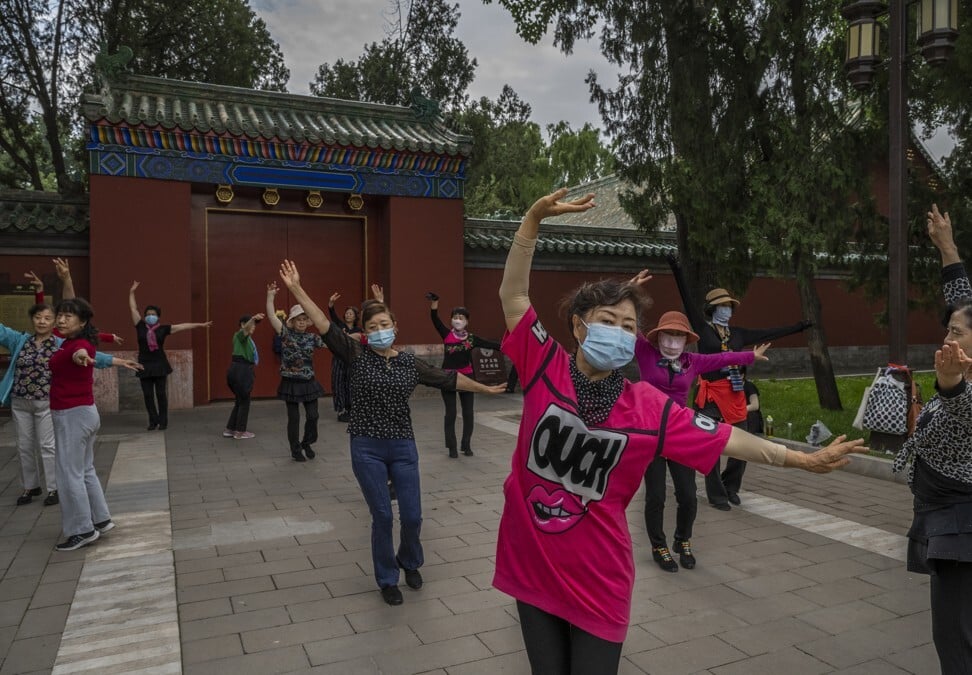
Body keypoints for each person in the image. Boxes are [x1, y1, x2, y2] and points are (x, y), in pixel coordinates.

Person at [494, 188, 866, 674]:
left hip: (598, 577)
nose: (619, 332)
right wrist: (531, 222)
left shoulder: (648, 406)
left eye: (629, 326)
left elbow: (726, 437)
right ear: (580, 327)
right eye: (608, 321)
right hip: (532, 563)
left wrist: (801, 459)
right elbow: (514, 296)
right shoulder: (544, 365)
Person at [277, 260, 506, 606]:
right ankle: (387, 578)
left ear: (395, 327)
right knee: (383, 516)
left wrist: (485, 389)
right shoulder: (355, 353)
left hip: (402, 446)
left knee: (412, 515)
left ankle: (410, 561)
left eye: (384, 324)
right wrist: (296, 288)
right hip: (366, 447)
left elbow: (449, 378)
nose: (379, 330)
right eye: (373, 326)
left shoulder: (409, 363)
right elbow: (323, 323)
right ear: (366, 332)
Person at [893, 203, 972, 674]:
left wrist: (950, 384)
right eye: (948, 329)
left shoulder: (962, 381)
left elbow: (966, 411)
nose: (948, 335)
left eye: (956, 333)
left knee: (956, 639)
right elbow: (963, 306)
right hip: (944, 513)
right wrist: (947, 248)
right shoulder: (962, 352)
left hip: (962, 524)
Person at [668, 255, 812, 510]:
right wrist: (677, 268)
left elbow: (769, 332)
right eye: (722, 306)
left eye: (729, 306)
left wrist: (800, 326)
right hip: (710, 395)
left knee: (742, 444)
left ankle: (731, 486)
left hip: (735, 393)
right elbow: (688, 301)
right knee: (710, 442)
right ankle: (716, 495)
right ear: (713, 309)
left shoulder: (739, 334)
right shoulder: (703, 329)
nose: (727, 309)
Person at [632, 307, 769, 572]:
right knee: (655, 497)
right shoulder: (645, 352)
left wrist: (750, 356)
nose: (672, 344)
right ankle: (658, 546)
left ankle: (683, 540)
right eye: (667, 337)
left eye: (678, 337)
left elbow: (722, 358)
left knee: (688, 495)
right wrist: (624, 294)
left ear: (686, 340)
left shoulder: (691, 362)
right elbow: (628, 324)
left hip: (680, 435)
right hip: (651, 436)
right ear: (658, 338)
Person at [50, 297, 142, 551]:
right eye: (60, 315)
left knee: (69, 474)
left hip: (72, 415)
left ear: (82, 322)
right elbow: (88, 350)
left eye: (68, 316)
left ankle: (82, 530)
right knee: (85, 469)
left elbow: (81, 355)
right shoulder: (72, 340)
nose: (61, 320)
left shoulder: (79, 345)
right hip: (82, 413)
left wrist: (81, 358)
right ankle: (100, 519)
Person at [428, 292, 503, 457]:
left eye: (461, 317)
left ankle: (466, 445)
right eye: (455, 317)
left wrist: (512, 345)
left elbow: (492, 345)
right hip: (447, 378)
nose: (458, 320)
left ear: (467, 321)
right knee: (451, 413)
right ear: (451, 320)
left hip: (467, 378)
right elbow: (435, 319)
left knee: (468, 413)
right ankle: (452, 447)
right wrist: (435, 303)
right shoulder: (446, 334)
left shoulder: (471, 339)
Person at [129, 281, 212, 430]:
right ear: (144, 316)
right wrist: (132, 292)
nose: (150, 316)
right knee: (148, 395)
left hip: (160, 364)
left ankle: (163, 421)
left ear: (158, 316)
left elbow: (183, 326)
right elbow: (133, 308)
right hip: (144, 364)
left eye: (153, 314)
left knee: (161, 394)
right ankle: (153, 421)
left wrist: (200, 325)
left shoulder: (163, 329)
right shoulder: (140, 326)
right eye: (148, 314)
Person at [267, 282, 326, 461]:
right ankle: (295, 449)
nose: (301, 322)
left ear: (308, 322)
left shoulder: (312, 337)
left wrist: (355, 339)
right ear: (292, 321)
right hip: (291, 382)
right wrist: (270, 297)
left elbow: (332, 342)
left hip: (309, 382)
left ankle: (307, 442)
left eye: (304, 319)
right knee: (294, 419)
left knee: (313, 416)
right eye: (298, 319)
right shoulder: (285, 334)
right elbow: (272, 316)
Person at [223, 313, 264, 440]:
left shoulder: (247, 339)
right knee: (245, 401)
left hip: (238, 369)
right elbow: (245, 330)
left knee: (239, 400)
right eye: (251, 324)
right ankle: (240, 431)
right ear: (242, 324)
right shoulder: (239, 335)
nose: (253, 327)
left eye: (254, 325)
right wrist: (253, 319)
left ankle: (230, 429)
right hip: (242, 369)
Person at [327, 292, 363, 422]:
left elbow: (361, 342)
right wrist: (331, 304)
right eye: (347, 313)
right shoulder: (340, 325)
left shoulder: (359, 330)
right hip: (339, 359)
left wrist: (346, 337)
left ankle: (351, 409)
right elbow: (332, 315)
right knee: (338, 383)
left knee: (351, 384)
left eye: (351, 314)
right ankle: (340, 409)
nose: (348, 315)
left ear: (355, 317)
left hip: (352, 360)